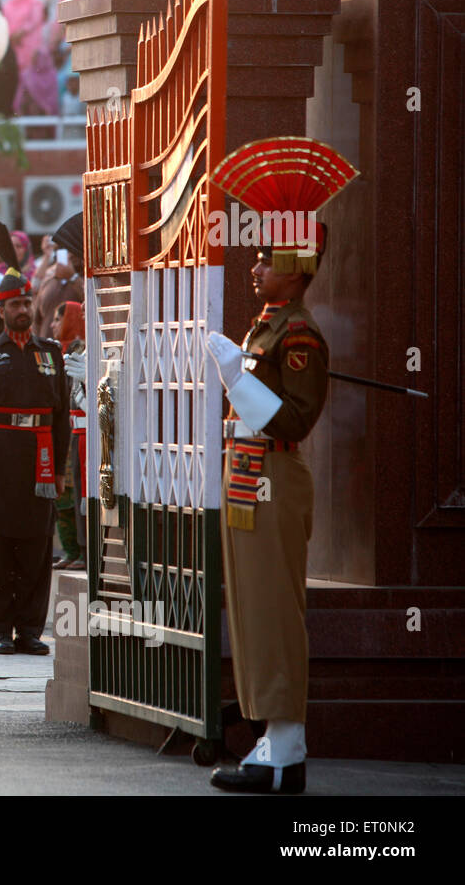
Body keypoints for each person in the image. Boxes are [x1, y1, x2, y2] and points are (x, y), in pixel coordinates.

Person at [205, 138, 354, 795]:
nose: (256, 265)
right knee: (252, 613)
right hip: (248, 476)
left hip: (274, 475)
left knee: (275, 611)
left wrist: (236, 377)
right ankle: (271, 738)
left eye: (268, 258)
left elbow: (293, 421)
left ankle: (287, 749)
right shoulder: (268, 325)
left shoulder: (298, 333)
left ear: (295, 268)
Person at [0, 220, 68, 655]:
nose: (22, 309)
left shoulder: (51, 354)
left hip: (40, 457)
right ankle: (3, 630)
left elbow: (61, 417)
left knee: (37, 545)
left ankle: (30, 629)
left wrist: (60, 469)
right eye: (14, 304)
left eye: (27, 302)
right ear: (2, 309)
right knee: (0, 544)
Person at [51, 300, 86, 569]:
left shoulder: (82, 350)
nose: (53, 325)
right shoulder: (53, 353)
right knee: (62, 497)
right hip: (62, 433)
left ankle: (84, 551)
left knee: (80, 494)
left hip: (80, 433)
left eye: (58, 319)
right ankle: (70, 550)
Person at [33, 213, 85, 337]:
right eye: (65, 249)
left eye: (72, 250)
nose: (70, 255)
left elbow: (92, 302)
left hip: (76, 346)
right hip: (47, 344)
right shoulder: (50, 275)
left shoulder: (89, 278)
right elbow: (37, 318)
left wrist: (72, 278)